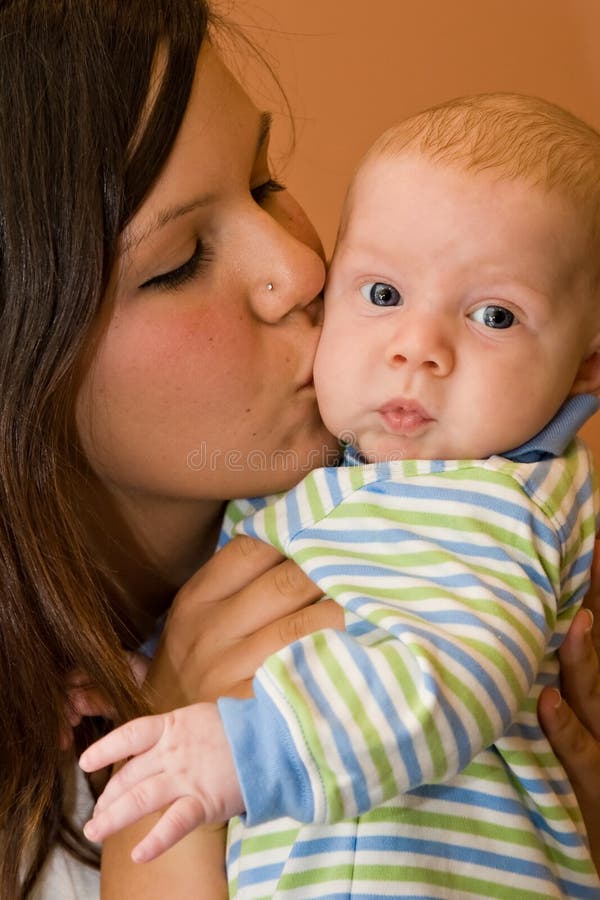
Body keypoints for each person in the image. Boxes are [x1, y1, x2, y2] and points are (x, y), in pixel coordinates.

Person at [0, 2, 598, 898]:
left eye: (266, 178)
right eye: (178, 260)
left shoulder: (479, 519)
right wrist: (160, 716)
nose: (306, 268)